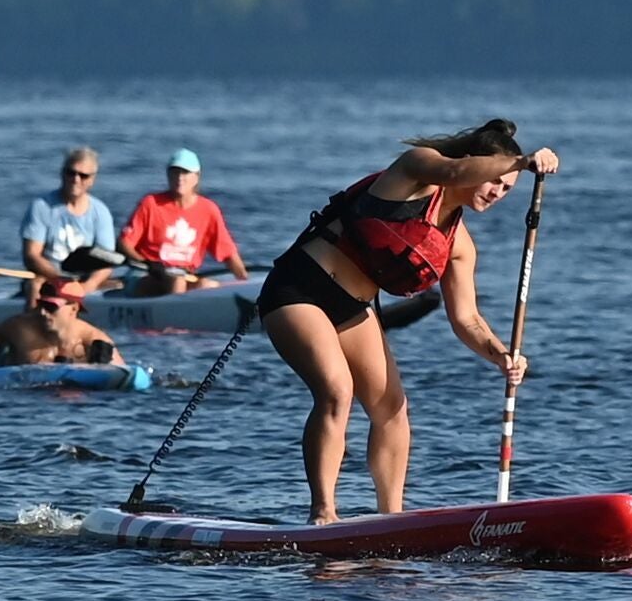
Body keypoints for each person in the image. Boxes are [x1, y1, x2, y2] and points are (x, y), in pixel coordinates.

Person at [257, 119, 557, 523]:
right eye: (494, 180)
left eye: (506, 189)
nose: (496, 192)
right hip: (298, 289)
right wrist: (520, 162)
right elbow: (454, 171)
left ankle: (392, 520)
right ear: (474, 162)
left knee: (392, 409)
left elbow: (466, 317)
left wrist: (502, 355)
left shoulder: (460, 246)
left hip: (351, 307)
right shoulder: (415, 171)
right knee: (337, 391)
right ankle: (323, 512)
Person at [119, 148, 250, 293]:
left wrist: (245, 282)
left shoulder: (208, 210)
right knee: (177, 281)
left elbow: (228, 253)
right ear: (168, 175)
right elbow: (124, 244)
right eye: (175, 172)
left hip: (185, 276)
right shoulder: (150, 204)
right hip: (145, 274)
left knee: (207, 285)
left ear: (196, 177)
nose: (180, 178)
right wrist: (148, 264)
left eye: (185, 172)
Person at [21, 148, 118, 292]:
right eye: (71, 173)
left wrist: (87, 286)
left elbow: (107, 262)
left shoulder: (101, 212)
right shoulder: (41, 207)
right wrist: (60, 279)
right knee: (34, 286)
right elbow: (32, 255)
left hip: (85, 281)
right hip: (48, 278)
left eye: (83, 176)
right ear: (62, 173)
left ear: (92, 180)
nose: (76, 180)